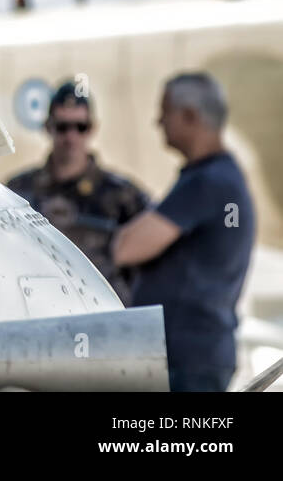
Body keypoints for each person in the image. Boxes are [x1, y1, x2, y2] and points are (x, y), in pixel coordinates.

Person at [114, 72, 256, 392]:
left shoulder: (208, 182)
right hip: (197, 355)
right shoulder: (221, 178)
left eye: (165, 112)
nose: (158, 122)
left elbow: (127, 247)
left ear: (190, 115)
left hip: (187, 361)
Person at [7, 82, 149, 304]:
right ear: (47, 127)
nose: (71, 137)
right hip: (38, 311)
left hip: (106, 315)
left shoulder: (123, 196)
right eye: (62, 127)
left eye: (80, 127)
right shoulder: (18, 192)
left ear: (92, 128)